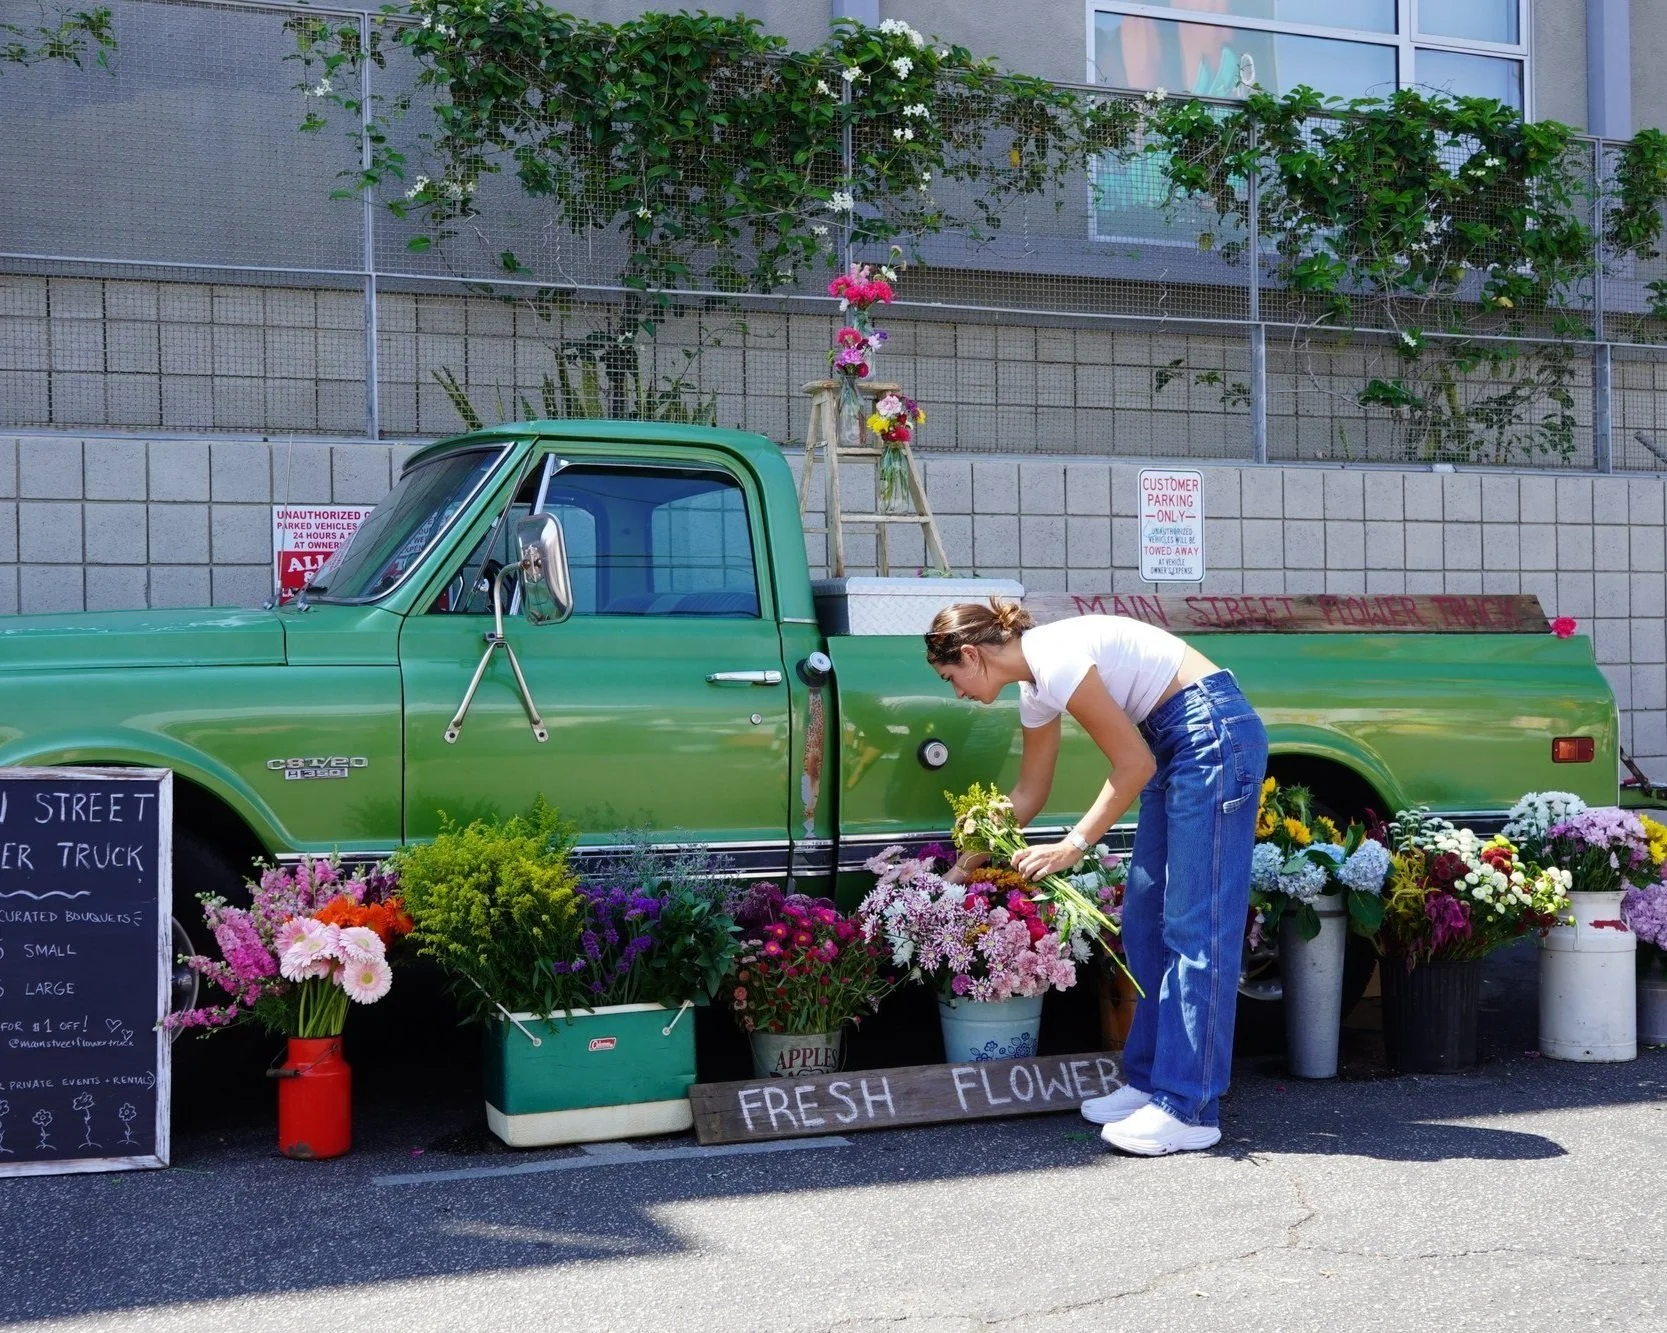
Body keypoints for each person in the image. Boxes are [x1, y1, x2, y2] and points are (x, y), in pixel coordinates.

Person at [924, 599, 1268, 1156]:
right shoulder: (1035, 686)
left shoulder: (1053, 657)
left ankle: (1190, 1107)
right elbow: (1029, 795)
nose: (957, 691)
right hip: (1177, 739)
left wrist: (1074, 845)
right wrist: (969, 857)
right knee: (1145, 922)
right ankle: (1151, 1085)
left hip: (1211, 733)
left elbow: (1132, 765)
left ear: (971, 654)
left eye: (952, 677)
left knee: (1193, 926)